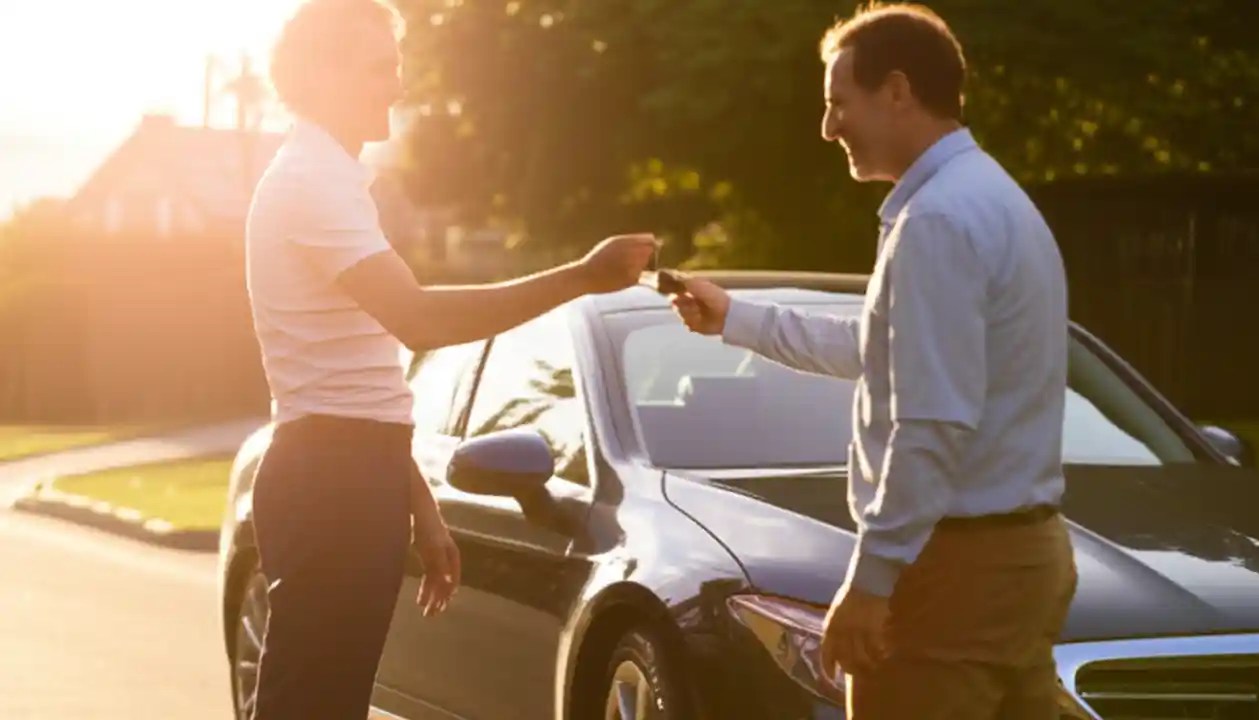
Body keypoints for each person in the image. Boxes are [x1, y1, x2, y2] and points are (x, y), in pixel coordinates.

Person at [243, 1, 655, 718]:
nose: (397, 86)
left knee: (326, 703)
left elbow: (357, 380)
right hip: (329, 482)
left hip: (348, 473)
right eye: (382, 68)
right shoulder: (309, 182)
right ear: (325, 73)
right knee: (307, 704)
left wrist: (420, 507)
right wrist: (580, 277)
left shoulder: (330, 179)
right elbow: (418, 317)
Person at [669, 3, 1076, 718]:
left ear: (896, 91)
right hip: (1022, 560)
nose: (828, 128)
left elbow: (932, 423)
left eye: (837, 103)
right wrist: (736, 317)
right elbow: (880, 347)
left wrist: (871, 580)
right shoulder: (992, 201)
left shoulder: (939, 222)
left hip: (951, 574)